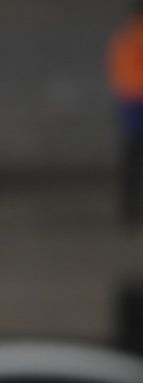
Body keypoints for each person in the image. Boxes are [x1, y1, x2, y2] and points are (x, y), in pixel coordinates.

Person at [107, 2, 143, 227]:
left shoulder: (123, 37)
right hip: (136, 100)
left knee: (131, 156)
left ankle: (129, 208)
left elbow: (117, 69)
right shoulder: (135, 37)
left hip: (128, 100)